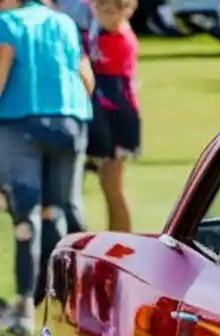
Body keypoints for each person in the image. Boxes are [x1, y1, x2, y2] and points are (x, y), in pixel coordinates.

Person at [0, 0, 93, 336]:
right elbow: (86, 78)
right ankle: (71, 302)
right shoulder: (64, 23)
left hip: (21, 122)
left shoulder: (7, 23)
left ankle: (25, 309)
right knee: (62, 210)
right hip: (70, 121)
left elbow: (1, 72)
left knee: (27, 216)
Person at [85, 0, 140, 232]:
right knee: (108, 184)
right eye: (100, 8)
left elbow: (114, 90)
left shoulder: (117, 39)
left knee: (113, 186)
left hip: (119, 118)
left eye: (111, 10)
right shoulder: (102, 33)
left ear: (126, 10)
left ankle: (123, 241)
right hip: (109, 116)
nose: (105, 14)